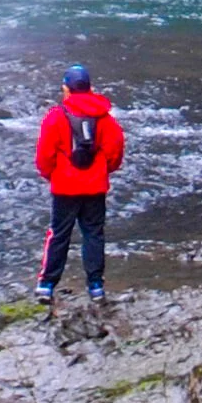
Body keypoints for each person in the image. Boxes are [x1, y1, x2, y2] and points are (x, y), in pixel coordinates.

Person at [34, 62, 124, 308]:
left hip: (64, 187)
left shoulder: (55, 116)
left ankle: (47, 285)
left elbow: (44, 155)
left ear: (66, 89)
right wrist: (104, 171)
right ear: (90, 88)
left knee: (58, 234)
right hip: (95, 186)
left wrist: (50, 175)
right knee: (94, 234)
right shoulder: (106, 119)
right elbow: (115, 150)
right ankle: (96, 287)